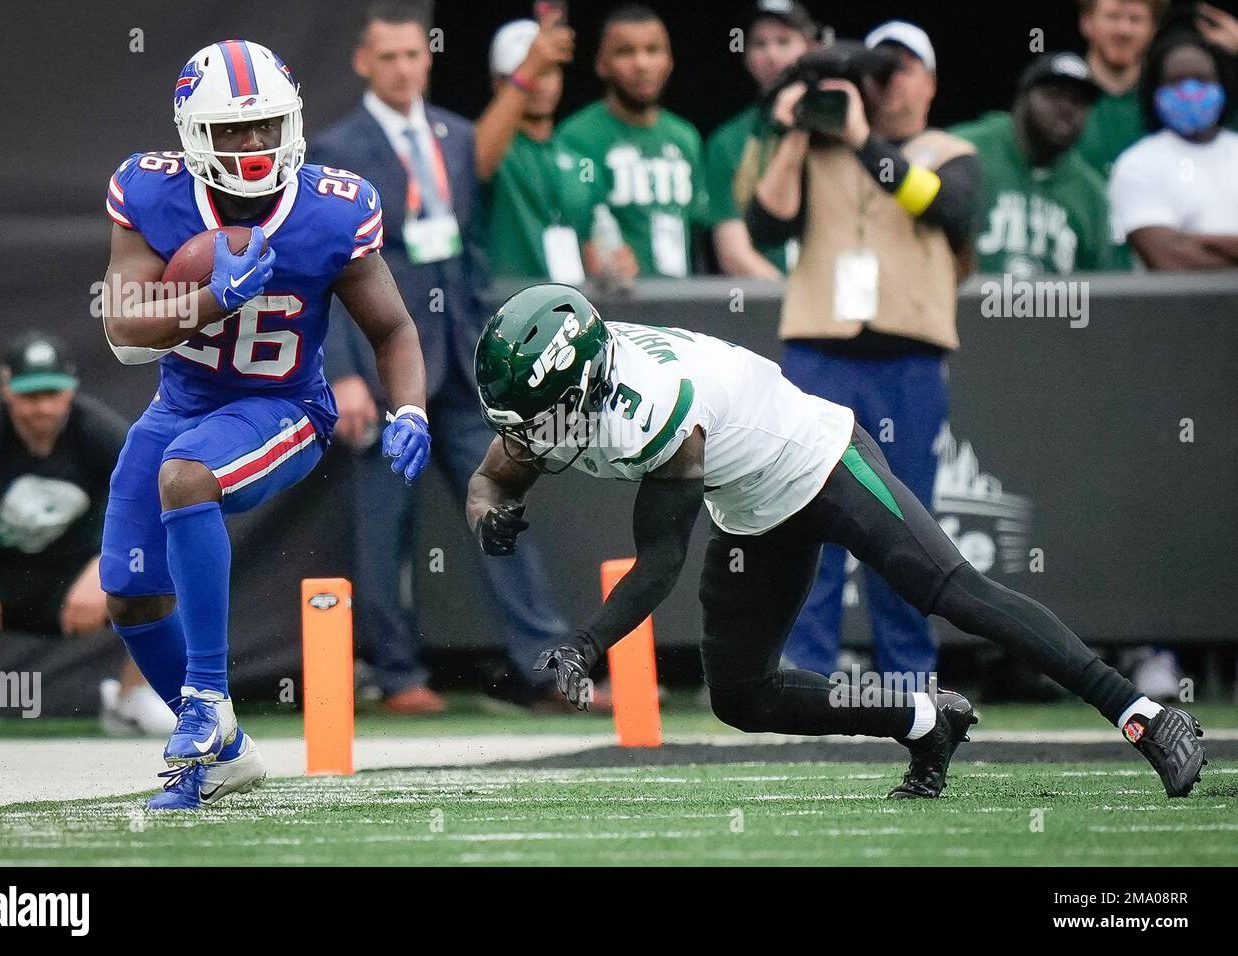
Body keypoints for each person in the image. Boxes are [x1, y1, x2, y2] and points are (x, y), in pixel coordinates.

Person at [465, 283, 1207, 800]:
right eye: (520, 420)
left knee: (949, 591)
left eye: (541, 416)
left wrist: (587, 645)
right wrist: (487, 512)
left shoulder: (655, 406)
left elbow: (661, 559)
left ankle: (1143, 714)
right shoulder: (557, 403)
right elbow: (493, 478)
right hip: (754, 508)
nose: (527, 438)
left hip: (823, 459)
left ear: (590, 383)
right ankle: (924, 717)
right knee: (742, 696)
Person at [100, 39, 431, 809]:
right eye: (233, 130)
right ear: (192, 134)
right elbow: (120, 326)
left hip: (286, 407)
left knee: (187, 474)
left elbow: (393, 329)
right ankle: (228, 756)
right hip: (182, 403)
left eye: (267, 126)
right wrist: (210, 301)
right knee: (130, 593)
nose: (254, 144)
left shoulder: (332, 207)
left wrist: (408, 407)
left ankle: (207, 706)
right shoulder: (151, 192)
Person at [308, 2, 580, 714]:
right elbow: (325, 271)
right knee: (383, 528)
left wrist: (529, 72)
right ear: (364, 63)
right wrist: (340, 372)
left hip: (461, 362)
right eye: (388, 57)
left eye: (413, 55)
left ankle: (545, 668)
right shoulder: (336, 147)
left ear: (428, 58)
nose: (403, 68)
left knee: (501, 505)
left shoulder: (454, 135)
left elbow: (468, 226)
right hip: (385, 365)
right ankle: (396, 675)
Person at [746, 21, 979, 682]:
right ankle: (804, 671)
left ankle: (910, 675)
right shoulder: (819, 146)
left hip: (907, 360)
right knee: (806, 512)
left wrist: (858, 137)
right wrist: (796, 130)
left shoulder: (949, 152)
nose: (887, 82)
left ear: (930, 81)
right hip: (821, 353)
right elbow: (765, 223)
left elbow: (945, 210)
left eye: (901, 68)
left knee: (904, 523)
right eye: (876, 71)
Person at [0, 333, 171, 736]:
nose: (42, 407)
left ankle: (130, 698)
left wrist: (104, 566)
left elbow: (153, 510)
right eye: (30, 396)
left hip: (70, 582)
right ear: (6, 390)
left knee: (166, 566)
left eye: (52, 393)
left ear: (71, 390)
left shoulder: (98, 431)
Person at [555, 5, 710, 278]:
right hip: (611, 303)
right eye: (625, 52)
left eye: (653, 50)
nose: (641, 64)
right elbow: (570, 224)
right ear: (601, 64)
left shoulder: (686, 137)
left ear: (669, 60)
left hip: (682, 300)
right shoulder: (576, 136)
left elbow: (698, 231)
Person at [952, 53, 1116, 275]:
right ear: (1022, 98)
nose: (1066, 108)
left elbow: (1101, 294)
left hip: (1052, 309)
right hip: (965, 305)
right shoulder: (965, 149)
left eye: (1078, 101)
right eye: (1054, 95)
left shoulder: (1092, 194)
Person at [706, 1, 819, 277]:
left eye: (784, 41)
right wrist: (791, 301)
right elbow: (734, 253)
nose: (771, 55)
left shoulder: (839, 125)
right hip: (768, 305)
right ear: (745, 55)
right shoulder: (728, 141)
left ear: (811, 48)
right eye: (759, 44)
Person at [475, 12, 592, 281]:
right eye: (527, 72)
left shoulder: (575, 154)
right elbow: (478, 160)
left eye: (547, 71)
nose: (539, 83)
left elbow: (589, 236)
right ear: (498, 84)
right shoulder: (493, 149)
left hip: (570, 304)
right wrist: (530, 67)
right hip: (505, 307)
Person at [1109, 26, 1238, 268]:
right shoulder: (1138, 163)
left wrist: (1191, 240)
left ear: (1221, 86)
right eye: (1177, 81)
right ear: (1155, 92)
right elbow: (1169, 259)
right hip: (1175, 306)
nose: (1190, 91)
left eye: (1201, 80)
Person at [1075, 0, 1167, 179]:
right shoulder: (1058, 97)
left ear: (1152, 30)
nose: (1124, 30)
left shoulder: (1167, 102)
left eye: (1136, 19)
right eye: (1113, 17)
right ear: (1086, 22)